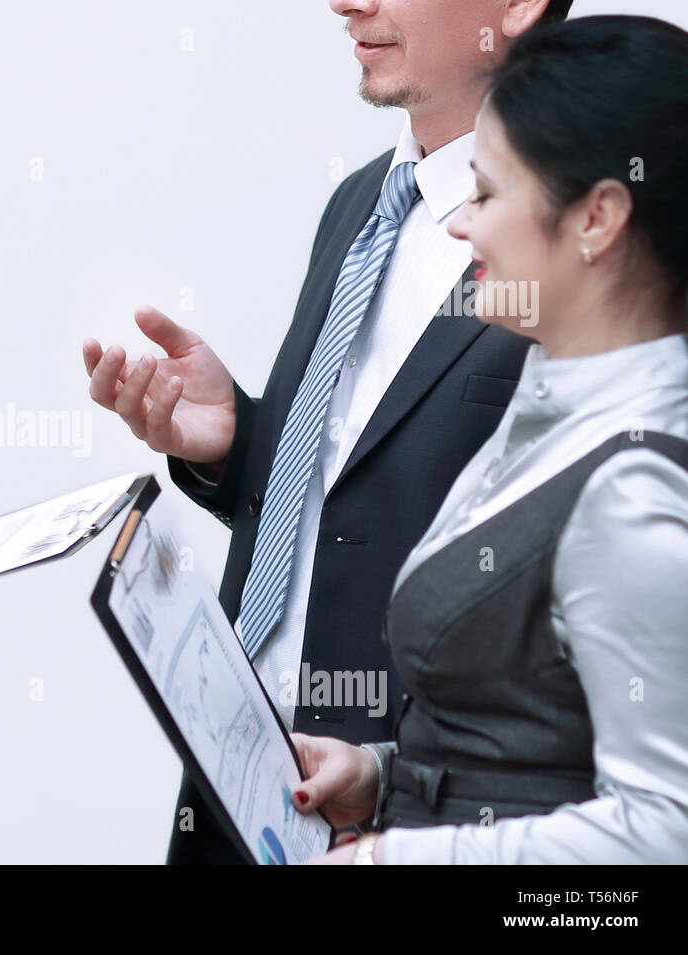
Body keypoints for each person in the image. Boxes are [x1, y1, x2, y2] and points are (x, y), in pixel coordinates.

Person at [83, 0, 570, 863]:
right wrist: (241, 446)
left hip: (423, 810)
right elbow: (364, 480)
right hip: (243, 772)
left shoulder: (580, 235)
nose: (347, 0)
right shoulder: (360, 203)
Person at [292, 14, 688, 864]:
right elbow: (539, 736)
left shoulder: (634, 486)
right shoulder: (553, 397)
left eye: (489, 193)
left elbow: (666, 831)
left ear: (597, 220)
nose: (458, 224)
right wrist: (385, 776)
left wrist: (392, 858)